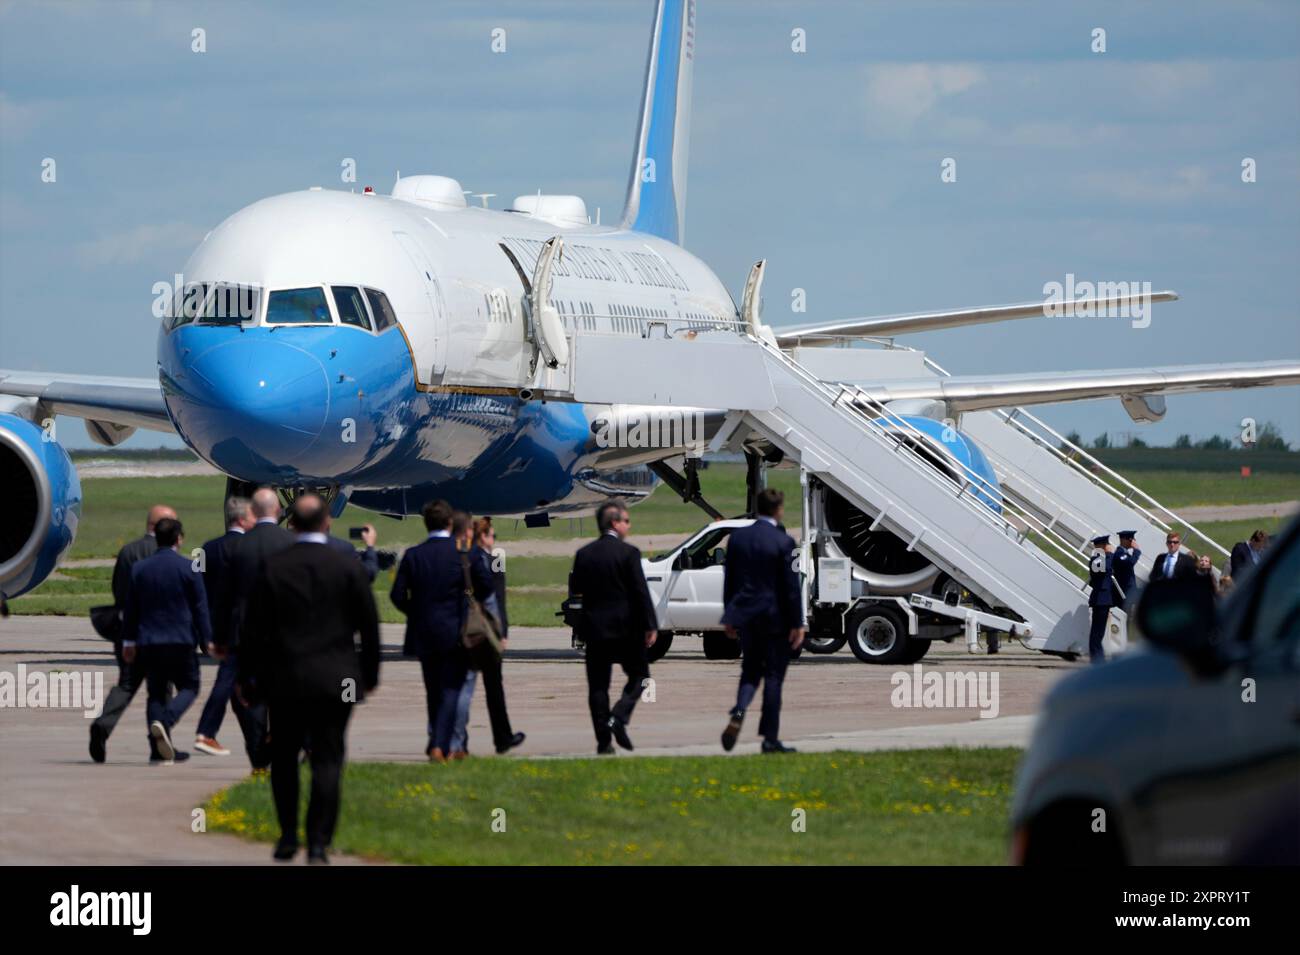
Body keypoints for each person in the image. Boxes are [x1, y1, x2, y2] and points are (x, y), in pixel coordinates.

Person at [239, 494, 380, 864]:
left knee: (284, 759)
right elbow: (369, 626)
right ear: (327, 523)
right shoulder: (346, 565)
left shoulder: (274, 567)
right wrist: (370, 676)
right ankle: (318, 844)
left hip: (284, 681)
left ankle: (287, 835)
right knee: (328, 761)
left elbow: (253, 630)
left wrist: (247, 678)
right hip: (337, 682)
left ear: (294, 526)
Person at [390, 501, 492, 763]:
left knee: (433, 690)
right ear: (449, 523)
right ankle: (438, 745)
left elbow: (397, 595)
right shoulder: (462, 553)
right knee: (451, 690)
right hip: (455, 632)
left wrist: (417, 612)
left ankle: (436, 741)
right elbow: (486, 585)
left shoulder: (413, 555)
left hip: (423, 633)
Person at [719, 488, 805, 753]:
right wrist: (797, 622)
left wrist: (730, 615)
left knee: (750, 670)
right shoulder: (783, 542)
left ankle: (740, 708)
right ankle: (770, 738)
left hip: (746, 615)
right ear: (778, 509)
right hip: (774, 617)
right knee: (773, 677)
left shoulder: (737, 538)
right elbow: (790, 588)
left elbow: (730, 580)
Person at [89, 503, 176, 763]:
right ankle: (159, 745)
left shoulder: (128, 551)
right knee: (160, 692)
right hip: (160, 635)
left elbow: (118, 591)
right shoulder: (170, 555)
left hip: (129, 630)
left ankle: (103, 725)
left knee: (126, 685)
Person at [570, 499, 658, 754]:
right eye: (626, 521)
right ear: (615, 523)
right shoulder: (629, 553)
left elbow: (576, 589)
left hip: (595, 629)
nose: (629, 526)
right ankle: (618, 717)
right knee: (641, 677)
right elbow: (640, 592)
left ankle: (603, 742)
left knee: (598, 687)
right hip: (626, 629)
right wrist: (650, 625)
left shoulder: (584, 553)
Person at [121, 517, 211, 763]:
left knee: (156, 694)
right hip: (181, 641)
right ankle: (166, 721)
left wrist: (128, 643)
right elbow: (200, 608)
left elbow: (131, 610)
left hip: (149, 641)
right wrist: (207, 640)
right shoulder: (190, 568)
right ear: (179, 539)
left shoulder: (140, 569)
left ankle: (158, 751)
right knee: (190, 687)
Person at [216, 487, 295, 768]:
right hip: (286, 640)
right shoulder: (293, 544)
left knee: (247, 699)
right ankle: (280, 746)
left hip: (246, 639)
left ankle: (258, 752)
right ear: (277, 510)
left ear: (254, 512)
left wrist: (219, 638)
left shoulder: (238, 547)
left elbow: (224, 597)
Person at [449, 518, 526, 758]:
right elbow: (497, 602)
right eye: (492, 535)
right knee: (488, 687)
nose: (493, 540)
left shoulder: (463, 559)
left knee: (475, 686)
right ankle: (480, 739)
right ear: (483, 537)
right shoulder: (484, 562)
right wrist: (502, 633)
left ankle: (471, 740)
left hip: (467, 629)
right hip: (483, 632)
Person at [193, 497, 254, 756]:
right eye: (252, 516)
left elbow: (198, 589)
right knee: (232, 680)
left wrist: (204, 631)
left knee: (234, 682)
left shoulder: (207, 548)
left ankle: (255, 738)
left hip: (216, 624)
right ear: (241, 519)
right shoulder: (249, 547)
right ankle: (207, 732)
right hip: (244, 627)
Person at [1085, 534, 1116, 665]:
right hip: (1100, 599)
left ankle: (1099, 659)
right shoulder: (1096, 560)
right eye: (1105, 545)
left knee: (1099, 632)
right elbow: (1106, 569)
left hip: (1103, 599)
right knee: (1097, 633)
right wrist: (1109, 554)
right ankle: (1097, 660)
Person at [1112, 530, 1141, 608]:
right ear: (1123, 540)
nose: (1133, 541)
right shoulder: (1119, 553)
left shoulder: (1125, 553)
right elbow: (1130, 563)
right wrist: (1136, 551)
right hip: (1123, 592)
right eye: (1130, 539)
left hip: (1128, 592)